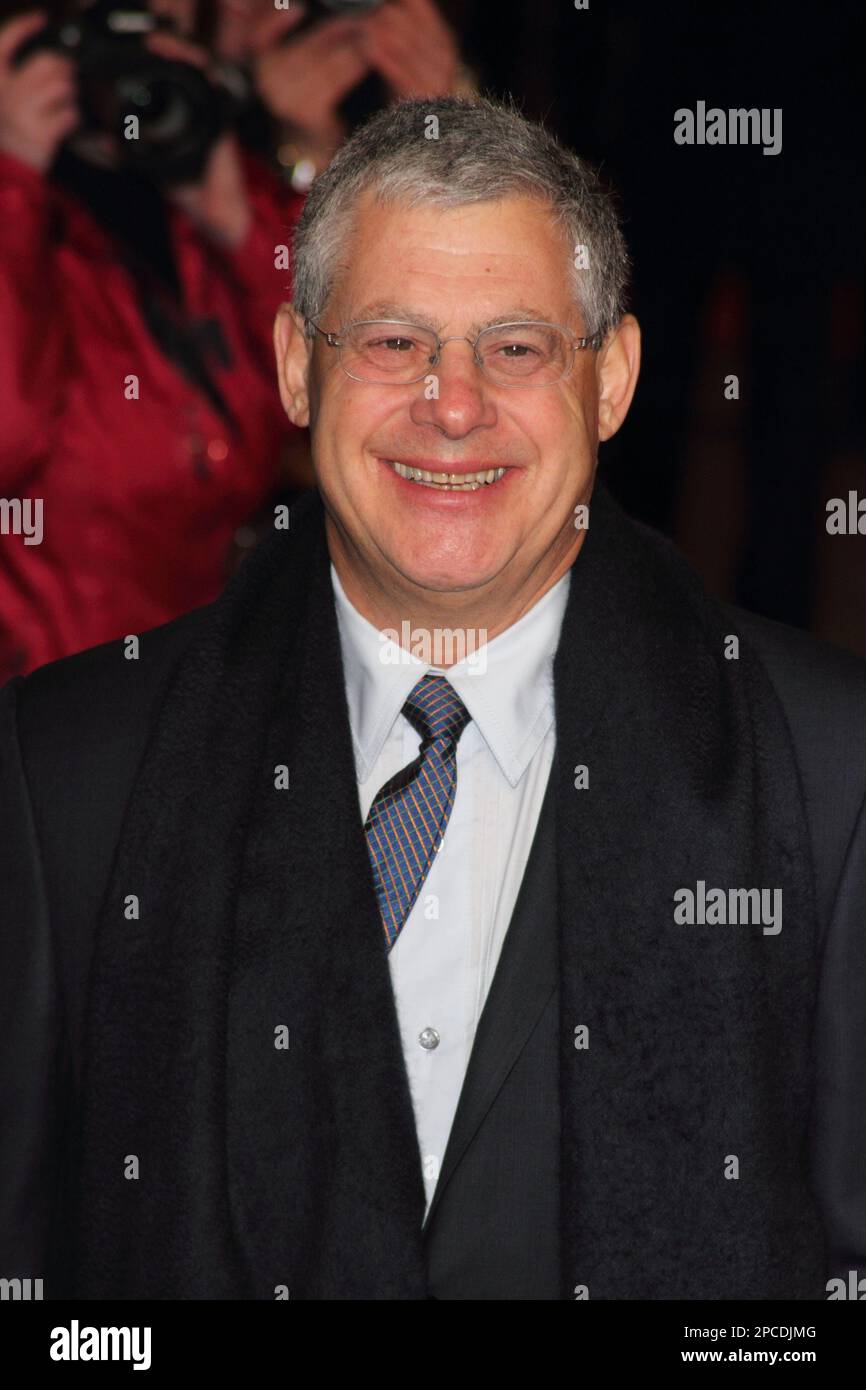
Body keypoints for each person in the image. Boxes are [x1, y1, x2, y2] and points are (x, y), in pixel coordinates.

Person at [1, 94, 864, 1300]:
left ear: (609, 379)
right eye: (392, 342)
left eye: (514, 346)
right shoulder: (65, 765)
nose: (451, 404)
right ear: (298, 368)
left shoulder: (831, 767)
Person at [0, 0, 467, 678]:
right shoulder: (29, 221)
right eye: (108, 32)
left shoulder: (204, 207)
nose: (137, 66)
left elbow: (357, 381)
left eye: (166, 28)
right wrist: (10, 170)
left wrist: (229, 202)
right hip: (36, 722)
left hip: (180, 709)